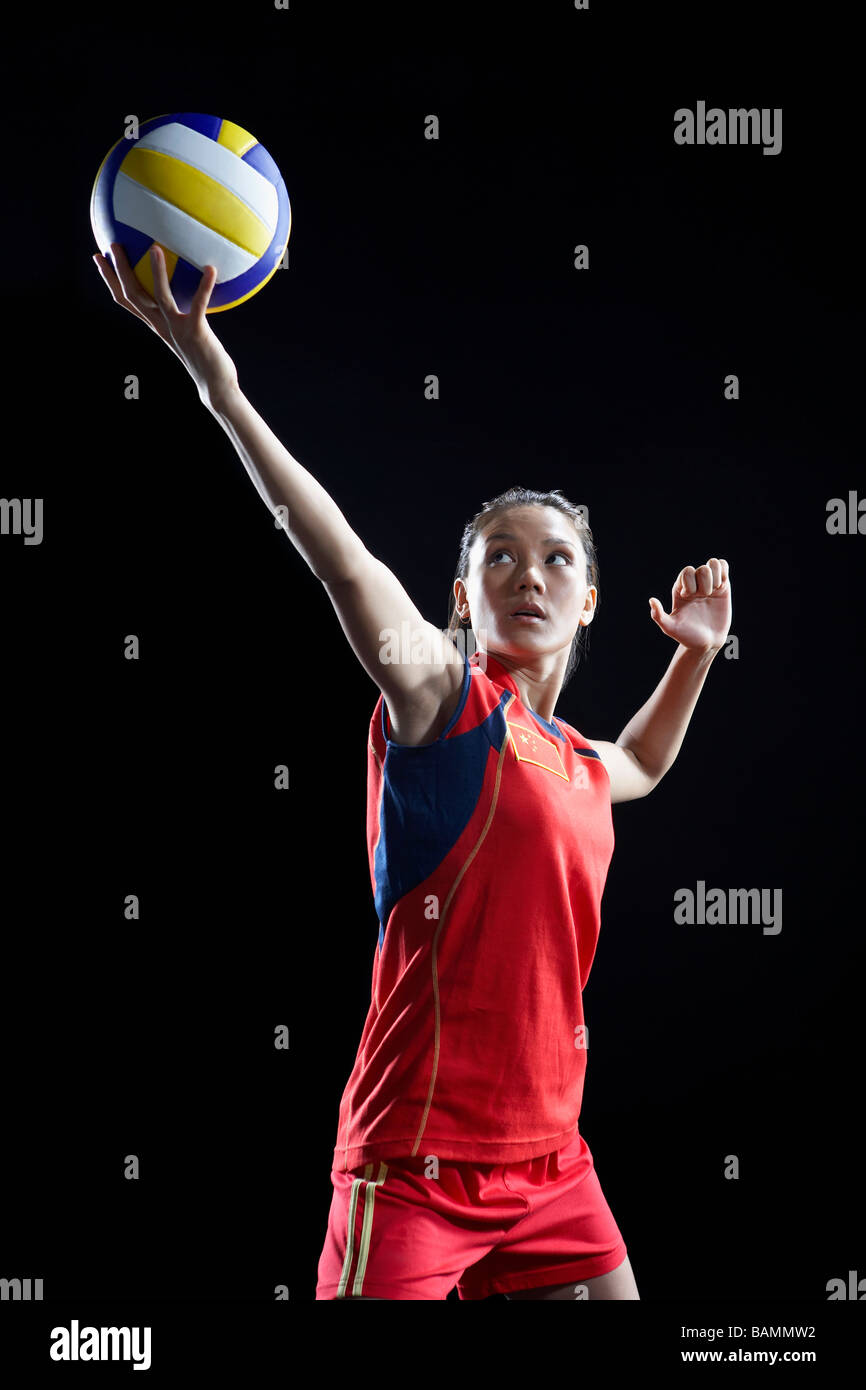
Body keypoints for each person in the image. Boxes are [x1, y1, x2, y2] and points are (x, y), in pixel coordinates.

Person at [94, 244, 732, 1300]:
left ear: (585, 603)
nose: (528, 569)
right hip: (413, 1169)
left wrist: (693, 655)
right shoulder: (439, 698)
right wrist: (219, 386)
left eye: (556, 558)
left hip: (552, 1165)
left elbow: (643, 761)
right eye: (499, 556)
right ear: (459, 599)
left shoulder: (577, 761)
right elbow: (339, 554)